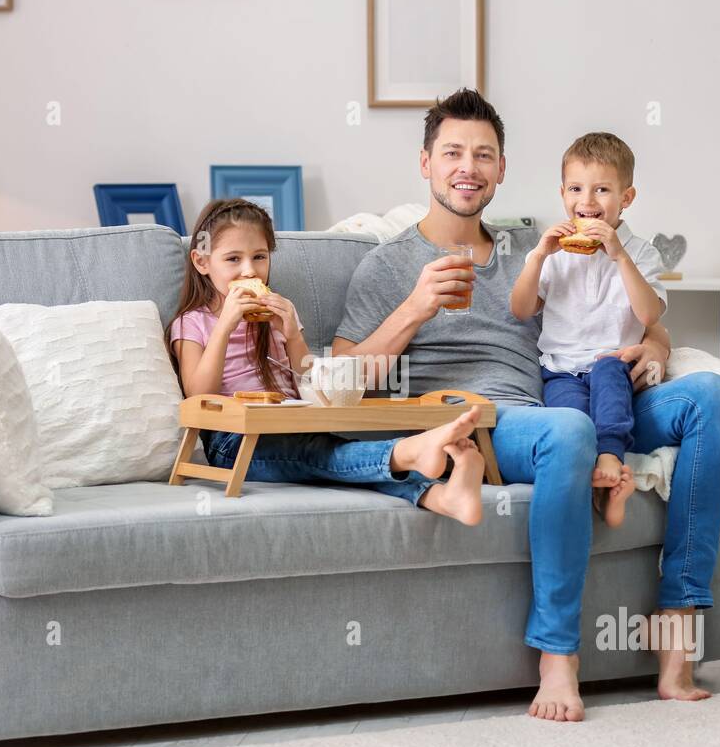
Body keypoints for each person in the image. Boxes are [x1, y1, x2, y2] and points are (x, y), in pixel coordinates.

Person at [332, 90, 720, 720]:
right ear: (425, 163)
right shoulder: (388, 265)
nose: (467, 166)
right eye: (451, 153)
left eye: (483, 154)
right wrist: (415, 307)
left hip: (567, 395)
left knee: (715, 396)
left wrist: (655, 345)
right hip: (496, 423)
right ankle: (558, 657)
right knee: (573, 432)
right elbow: (342, 385)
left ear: (501, 169)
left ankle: (677, 627)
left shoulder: (539, 244)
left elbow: (622, 305)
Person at [167, 197, 486, 525]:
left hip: (290, 429)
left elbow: (311, 387)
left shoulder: (278, 313)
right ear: (202, 262)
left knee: (336, 459)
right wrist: (224, 327)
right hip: (232, 442)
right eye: (233, 258)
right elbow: (197, 395)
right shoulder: (192, 322)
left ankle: (441, 496)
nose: (249, 270)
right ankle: (408, 451)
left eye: (259, 257)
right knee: (323, 456)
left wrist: (292, 336)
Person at [509, 131, 668, 530]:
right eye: (577, 189)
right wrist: (539, 256)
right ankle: (606, 492)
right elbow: (521, 309)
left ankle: (612, 456)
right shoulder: (554, 252)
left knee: (609, 387)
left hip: (611, 363)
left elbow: (649, 315)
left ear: (626, 198)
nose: (588, 202)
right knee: (572, 425)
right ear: (563, 193)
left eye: (602, 190)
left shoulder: (641, 252)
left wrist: (619, 255)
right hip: (560, 368)